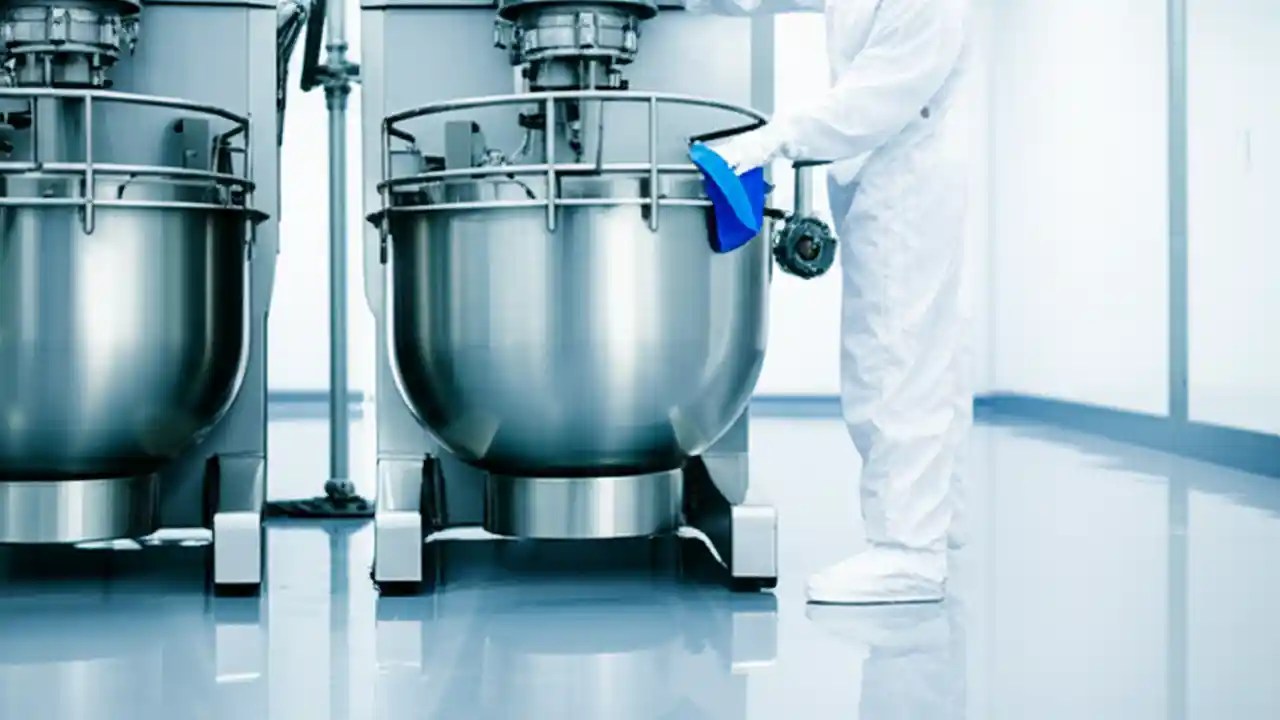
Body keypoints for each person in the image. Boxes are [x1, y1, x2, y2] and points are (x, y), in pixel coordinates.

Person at [690, 0, 971, 604]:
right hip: (880, 176)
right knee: (923, 355)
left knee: (893, 360)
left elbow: (871, 103)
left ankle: (908, 554)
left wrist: (773, 139)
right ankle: (937, 518)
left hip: (906, 183)